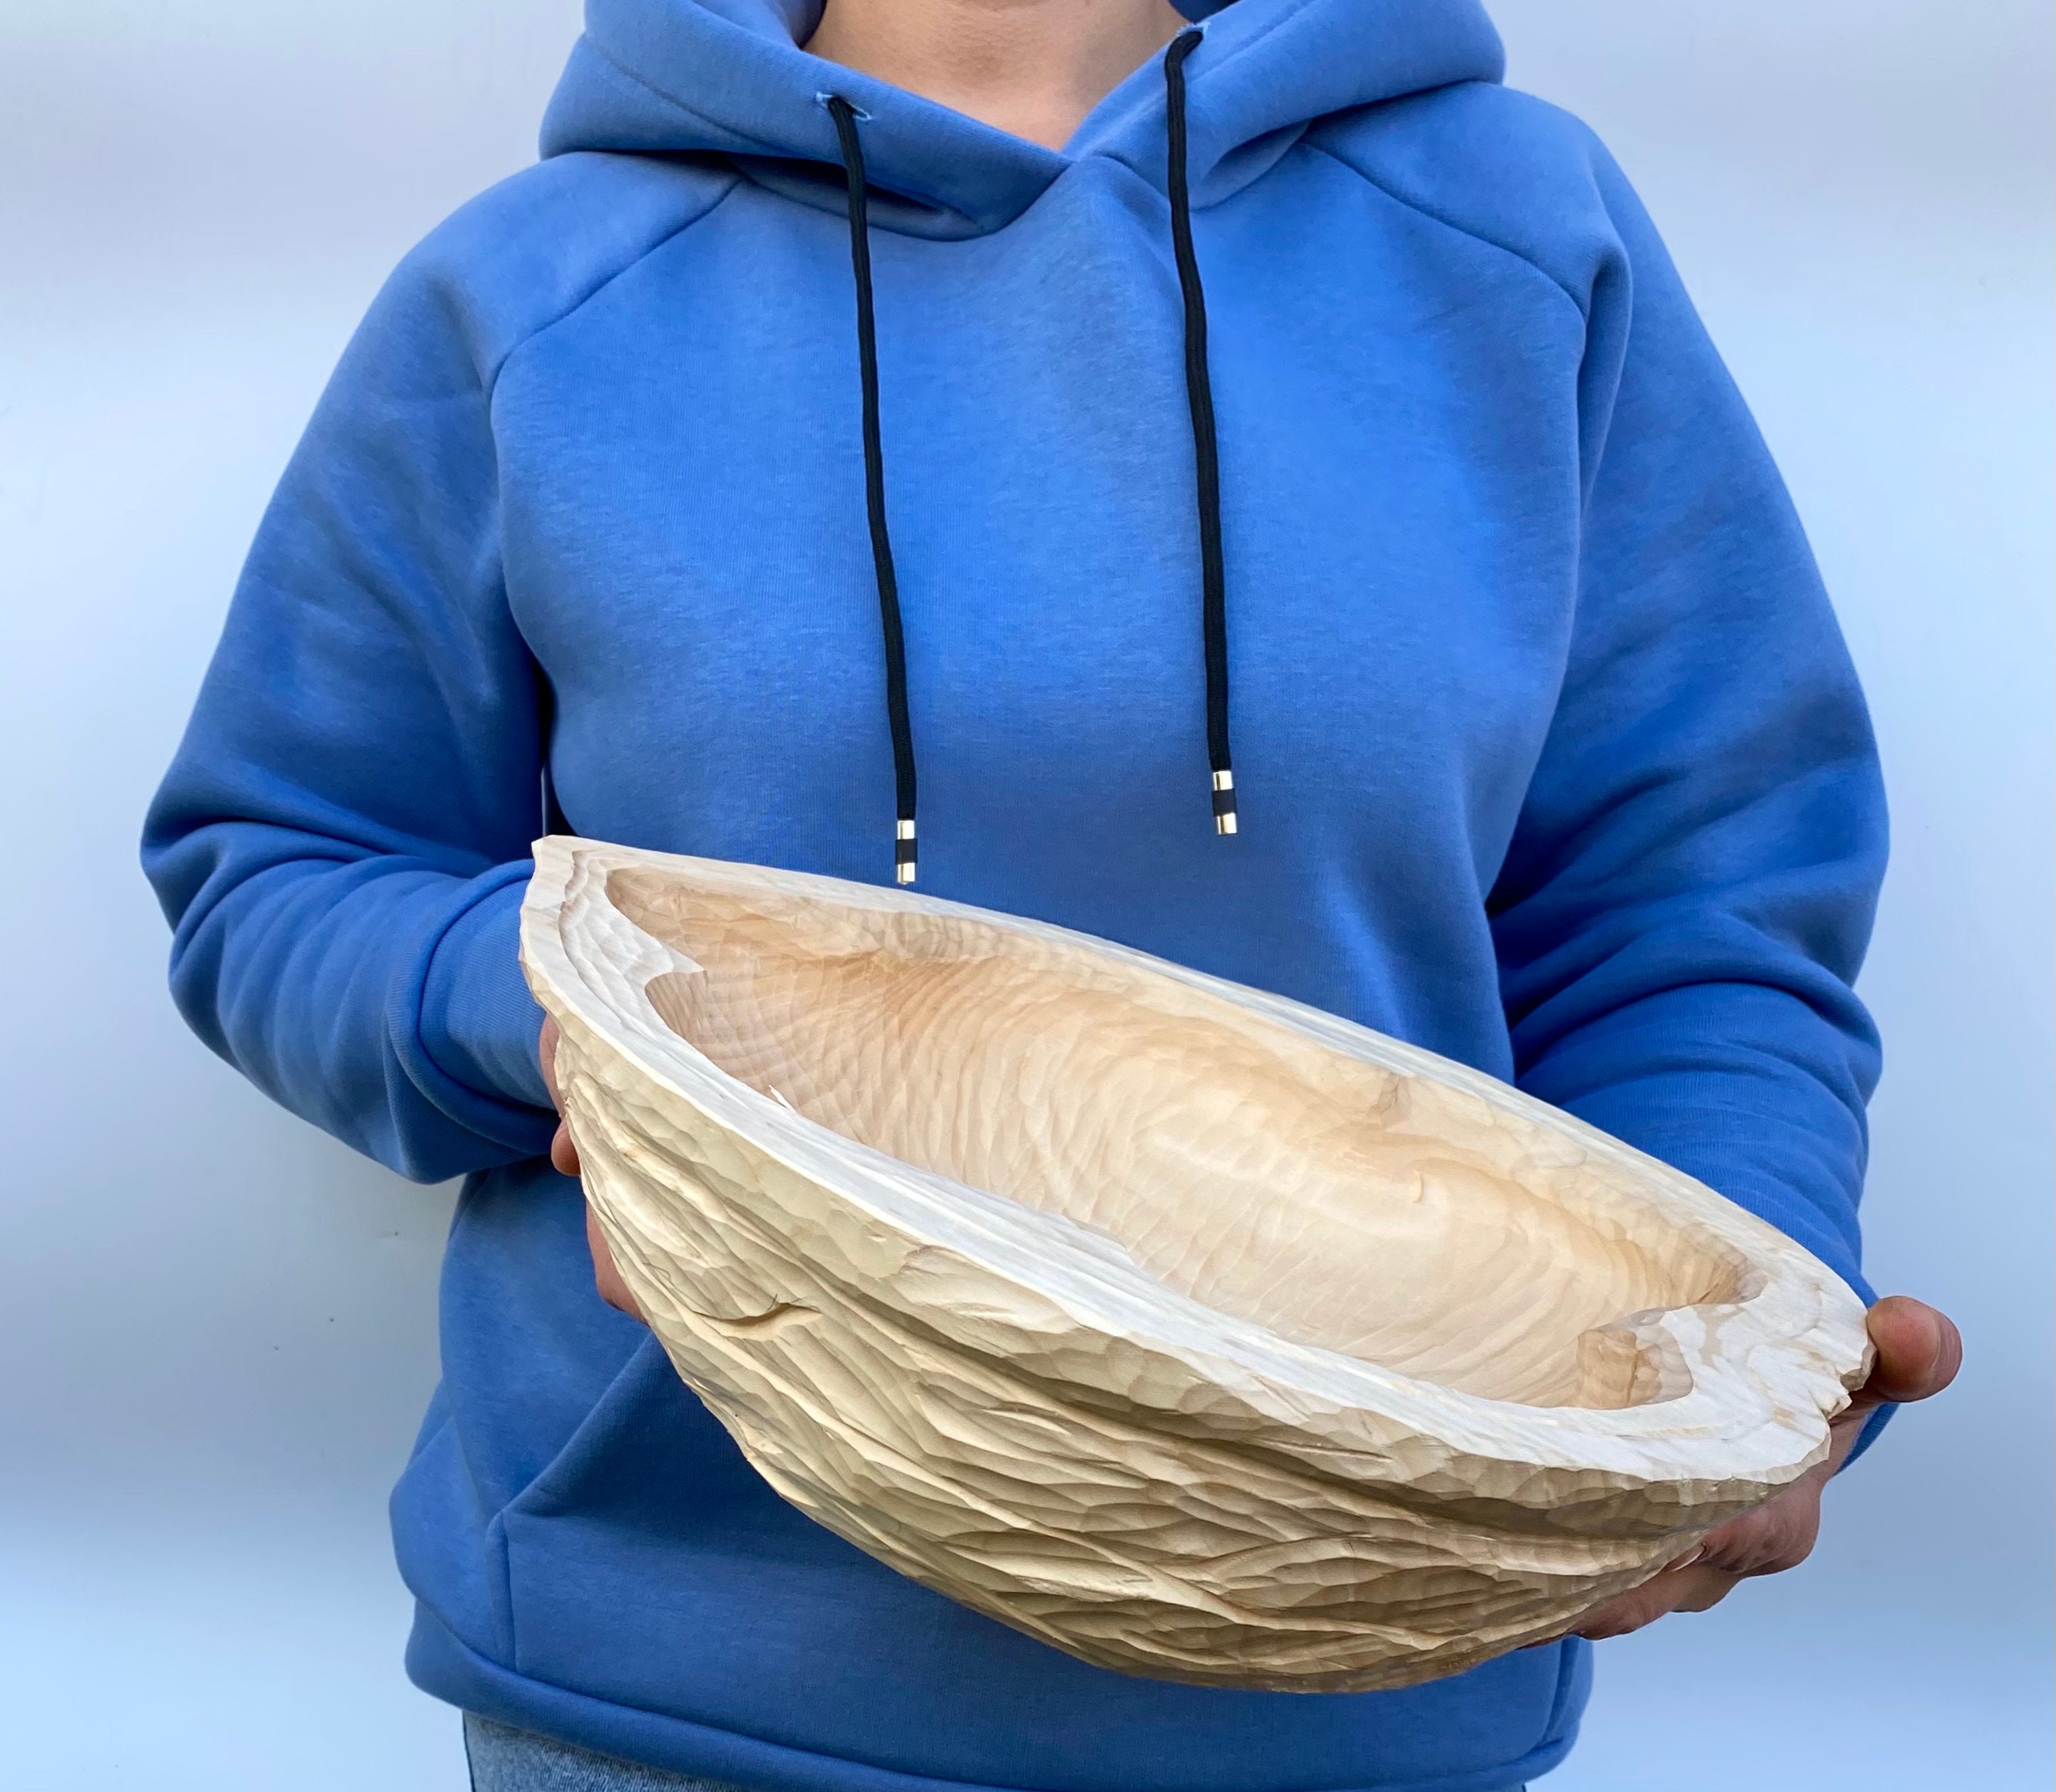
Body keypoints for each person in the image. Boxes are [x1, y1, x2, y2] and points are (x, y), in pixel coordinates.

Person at [142, 0, 1961, 1787]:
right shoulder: (535, 292)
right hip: (679, 1681)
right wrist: (594, 1012)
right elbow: (284, 867)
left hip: (1370, 1669)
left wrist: (1738, 1360)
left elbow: (1691, 901)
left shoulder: (1518, 235)